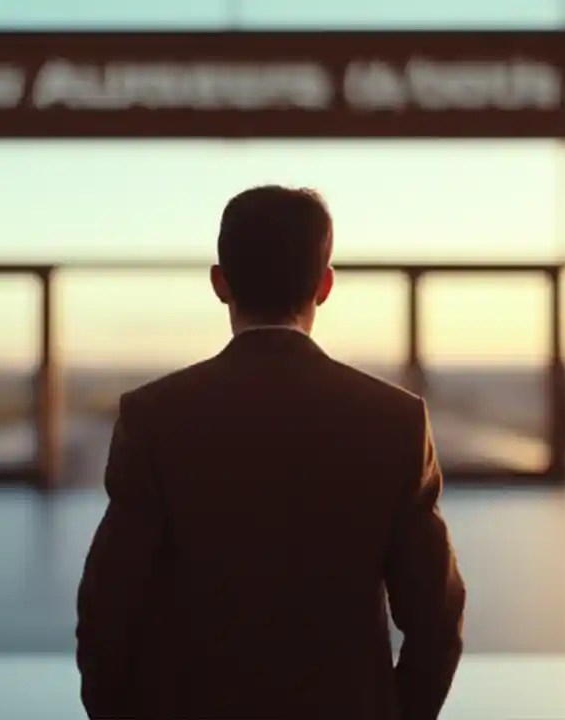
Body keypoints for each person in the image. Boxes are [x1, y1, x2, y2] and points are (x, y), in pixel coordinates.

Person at [76, 185, 466, 720]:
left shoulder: (155, 417)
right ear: (324, 285)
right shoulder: (394, 420)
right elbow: (437, 620)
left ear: (220, 283)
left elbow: (107, 610)